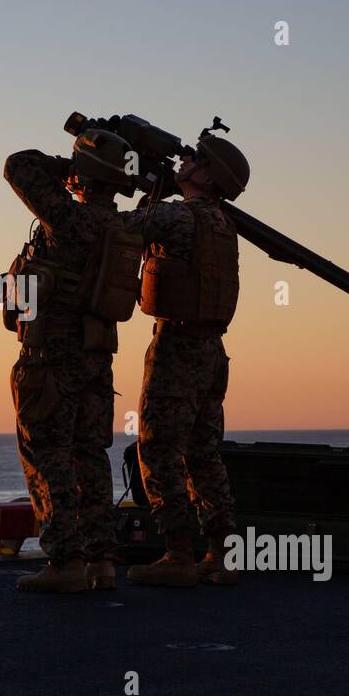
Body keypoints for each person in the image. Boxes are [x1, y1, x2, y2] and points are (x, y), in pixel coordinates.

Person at [2, 128, 142, 592]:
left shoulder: (69, 219)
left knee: (48, 456)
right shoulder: (123, 228)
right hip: (96, 361)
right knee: (89, 456)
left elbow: (17, 164)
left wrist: (66, 167)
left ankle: (62, 563)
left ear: (85, 175)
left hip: (50, 358)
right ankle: (100, 562)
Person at [123, 128, 250, 587]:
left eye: (195, 158)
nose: (185, 161)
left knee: (157, 447)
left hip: (177, 346)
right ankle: (223, 552)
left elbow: (120, 231)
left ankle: (178, 552)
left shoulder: (180, 218)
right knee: (202, 452)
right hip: (212, 350)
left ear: (208, 175)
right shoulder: (222, 224)